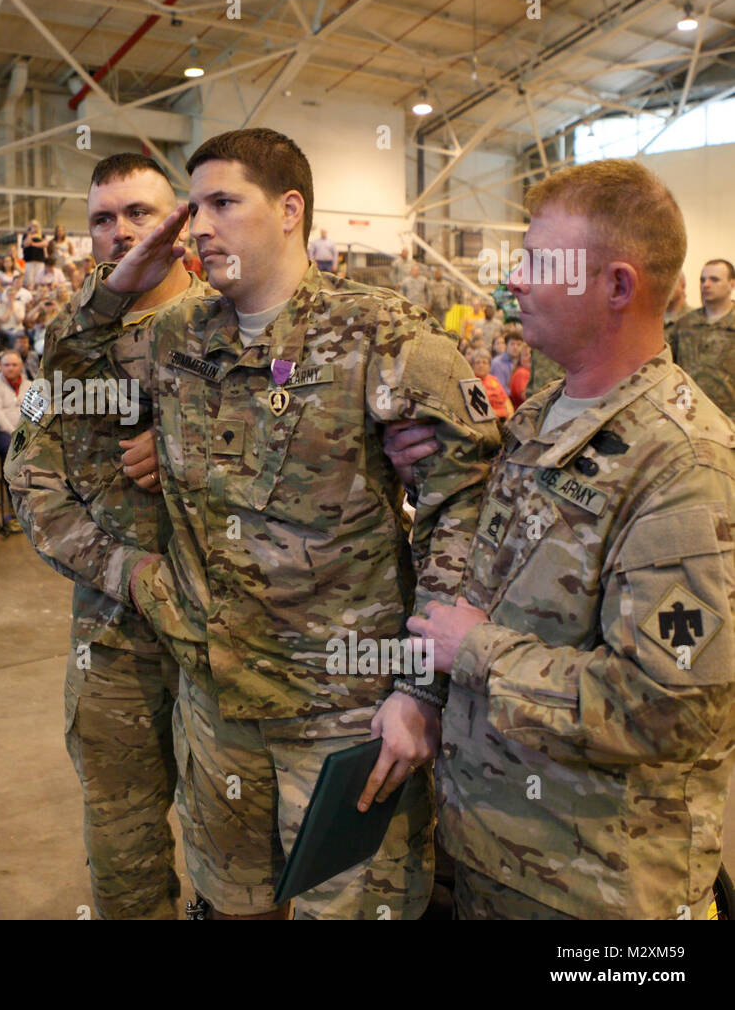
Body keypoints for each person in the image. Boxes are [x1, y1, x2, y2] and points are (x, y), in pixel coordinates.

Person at [40, 128, 499, 919]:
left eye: (224, 202)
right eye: (195, 207)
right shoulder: (180, 337)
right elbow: (65, 376)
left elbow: (466, 511)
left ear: (290, 211)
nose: (202, 225)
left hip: (345, 710)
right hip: (218, 707)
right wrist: (117, 286)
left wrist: (421, 688)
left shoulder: (383, 336)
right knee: (232, 907)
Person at [384, 158, 735, 919]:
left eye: (541, 261)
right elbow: (498, 565)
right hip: (495, 850)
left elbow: (670, 708)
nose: (517, 280)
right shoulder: (541, 417)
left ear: (617, 286)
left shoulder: (685, 464)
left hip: (596, 893)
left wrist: (474, 652)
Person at [7, 152, 218, 920]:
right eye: (103, 218)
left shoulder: (234, 326)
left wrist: (191, 448)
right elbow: (27, 476)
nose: (121, 230)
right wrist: (121, 568)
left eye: (139, 212)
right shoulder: (64, 355)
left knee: (237, 848)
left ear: (179, 221)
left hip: (223, 632)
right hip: (115, 638)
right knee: (123, 848)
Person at [669, 258, 735, 419]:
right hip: (690, 417)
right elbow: (671, 369)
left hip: (730, 420)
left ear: (732, 284)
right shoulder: (684, 324)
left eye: (714, 279)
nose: (706, 285)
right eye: (702, 280)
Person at [0, 349, 30, 457]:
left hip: (27, 431)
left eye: (14, 365)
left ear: (21, 366)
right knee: (12, 446)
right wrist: (16, 434)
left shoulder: (30, 385)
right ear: (0, 366)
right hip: (1, 432)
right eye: (6, 365)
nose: (10, 368)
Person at [468, 348, 512, 420]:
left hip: (505, 419)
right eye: (477, 362)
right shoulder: (471, 382)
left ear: (489, 366)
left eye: (484, 362)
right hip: (490, 420)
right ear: (472, 365)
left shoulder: (493, 379)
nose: (481, 365)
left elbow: (506, 400)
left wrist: (510, 415)